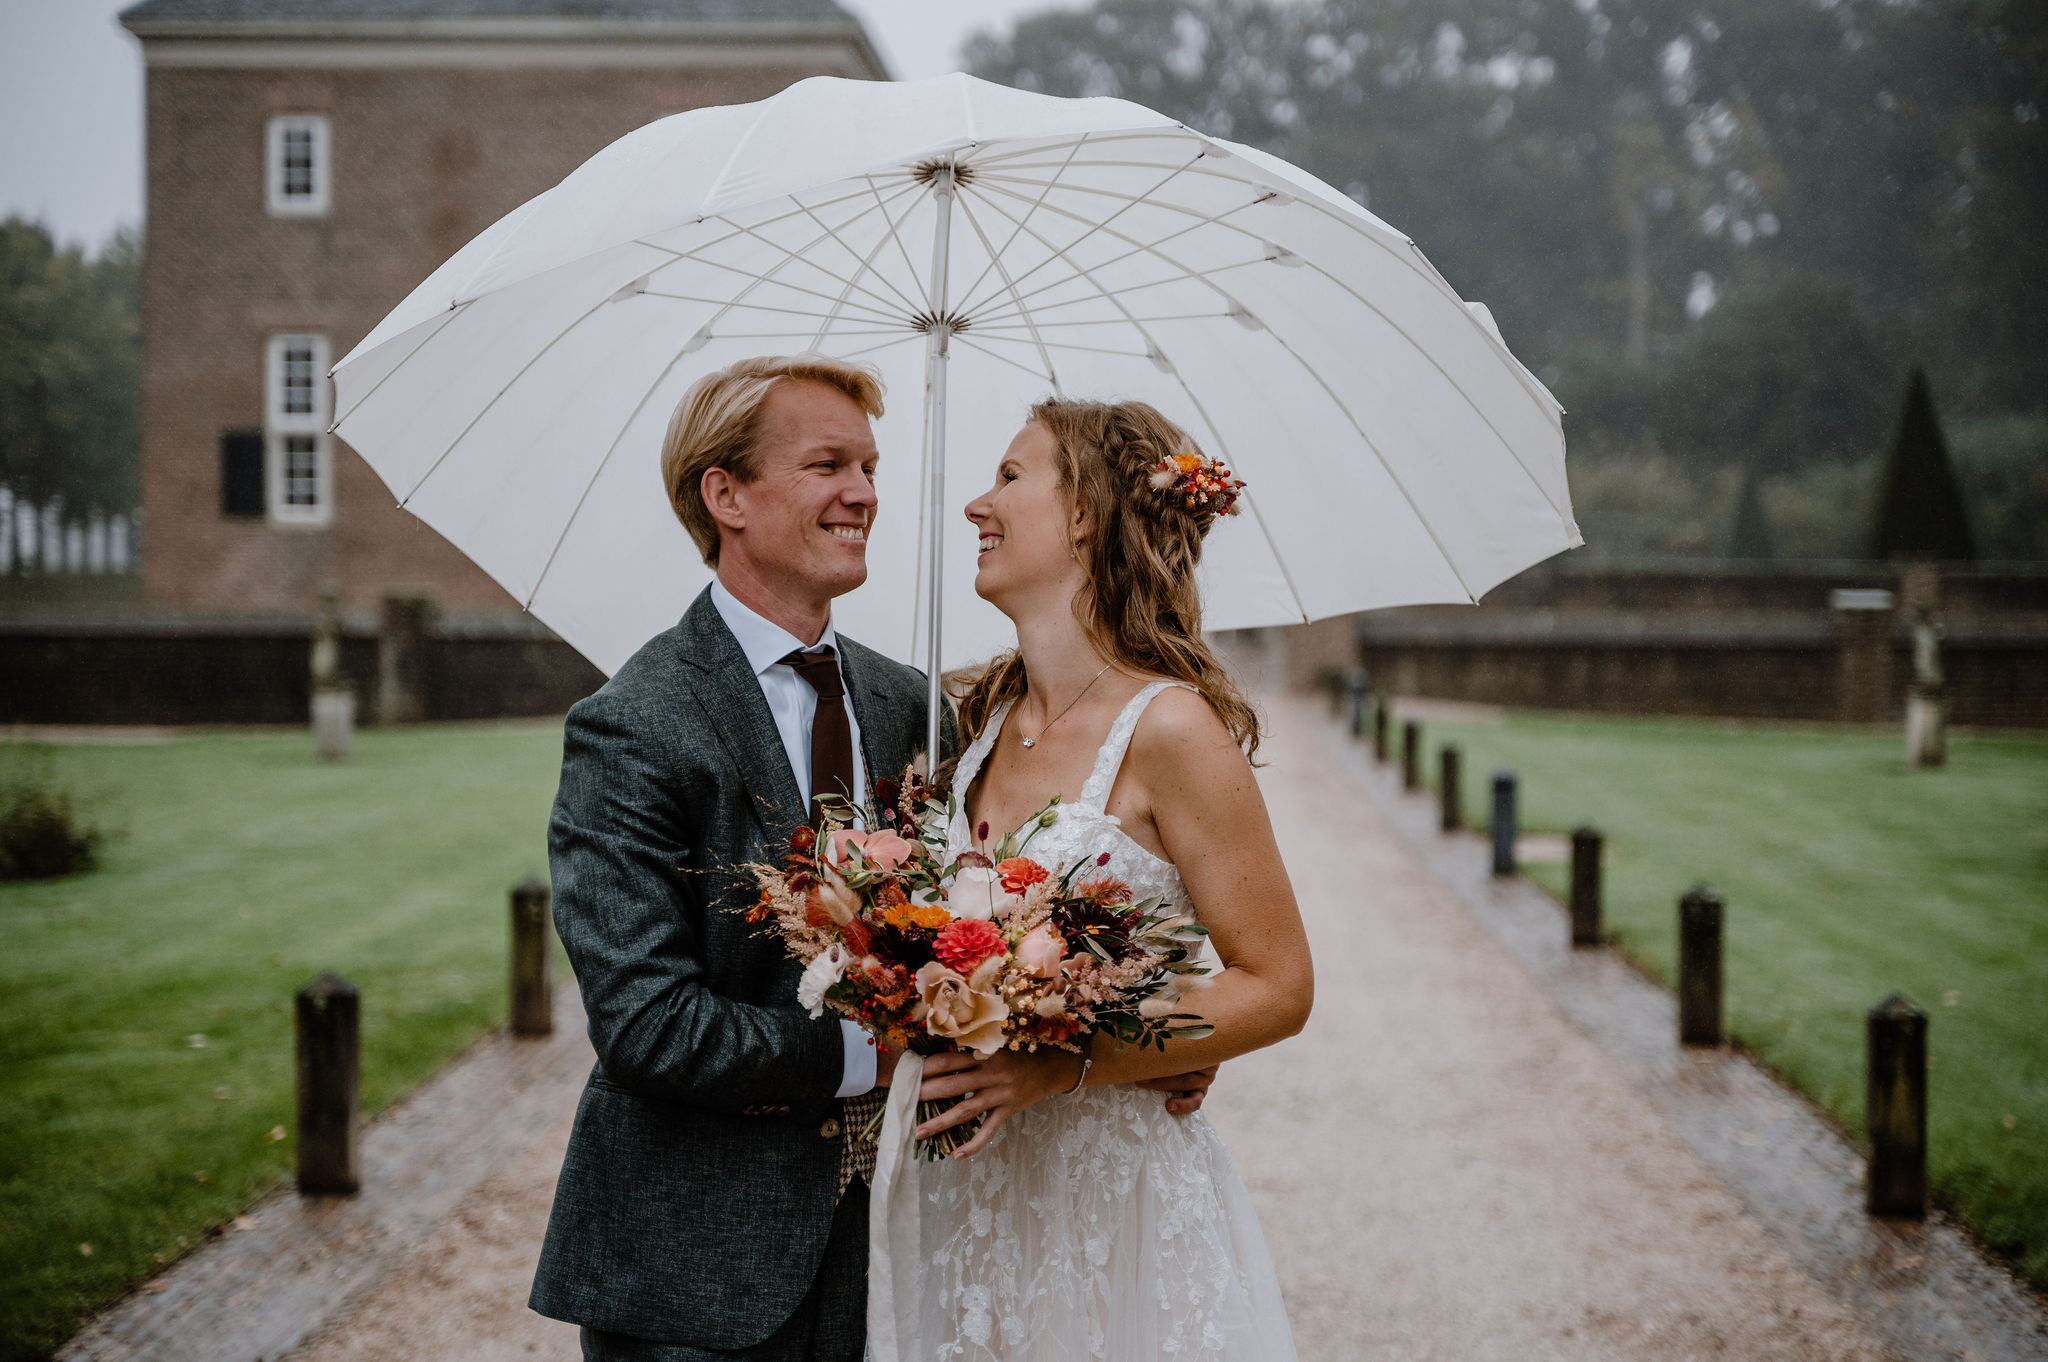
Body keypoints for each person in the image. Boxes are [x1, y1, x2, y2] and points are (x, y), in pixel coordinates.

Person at [527, 357, 1218, 1362]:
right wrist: (880, 1051)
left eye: (869, 466)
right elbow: (647, 1025)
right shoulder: (633, 726)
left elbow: (1014, 909)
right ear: (726, 494)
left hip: (905, 1253)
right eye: (826, 465)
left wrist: (1134, 1042)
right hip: (697, 1269)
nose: (863, 493)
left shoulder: (919, 712)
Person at [871, 398, 1313, 1361]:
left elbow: (1278, 985)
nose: (976, 506)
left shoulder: (1172, 732)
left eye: (1012, 476)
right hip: (961, 1191)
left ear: (1085, 515)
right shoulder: (969, 723)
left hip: (1108, 1206)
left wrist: (1070, 1060)